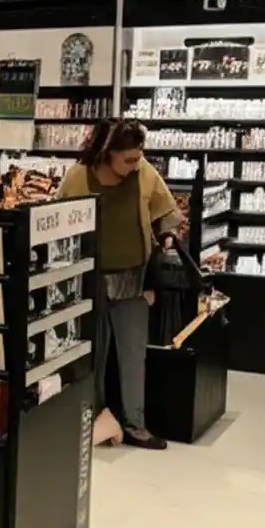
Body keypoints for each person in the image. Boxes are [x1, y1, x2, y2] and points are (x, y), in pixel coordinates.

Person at [57, 119, 183, 450]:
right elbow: (55, 220)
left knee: (132, 355)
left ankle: (136, 425)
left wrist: (168, 236)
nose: (134, 164)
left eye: (137, 157)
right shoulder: (77, 177)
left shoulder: (144, 174)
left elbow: (165, 211)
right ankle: (94, 422)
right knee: (92, 357)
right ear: (107, 153)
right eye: (127, 158)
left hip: (135, 278)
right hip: (90, 282)